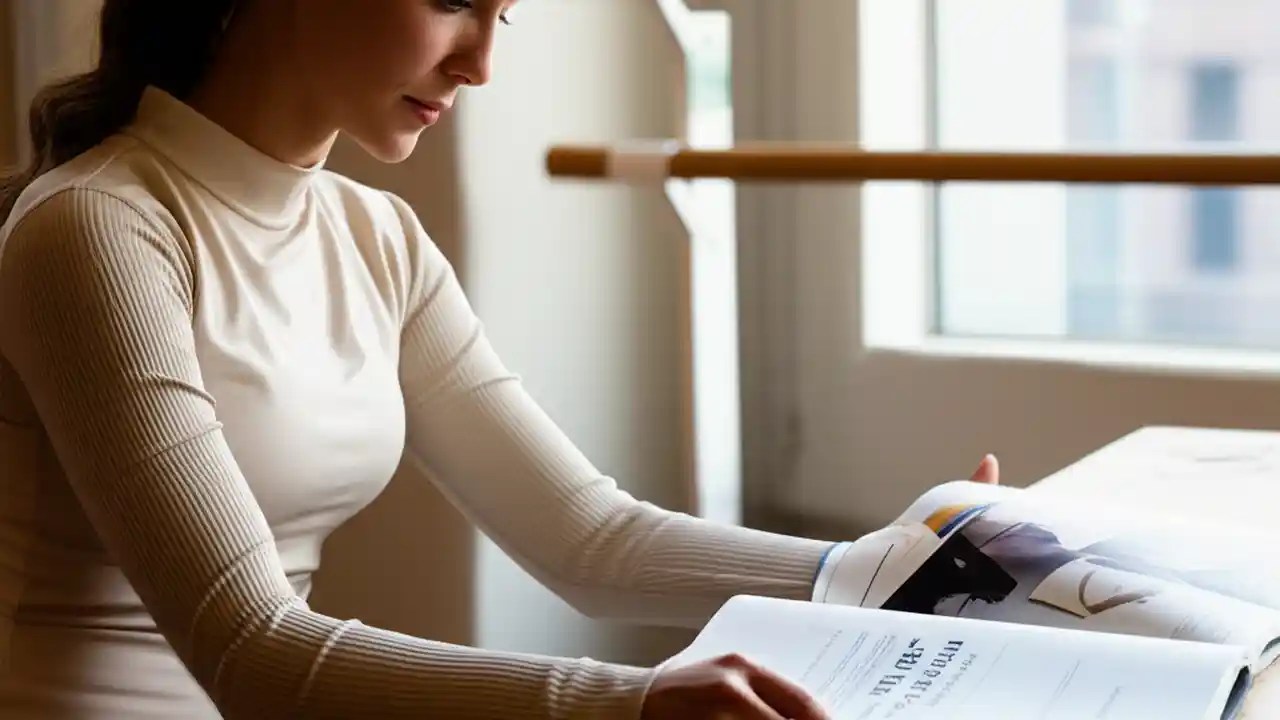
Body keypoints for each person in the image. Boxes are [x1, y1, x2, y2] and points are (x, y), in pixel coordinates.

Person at [0, 1, 999, 718]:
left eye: (500, 16)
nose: (478, 64)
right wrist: (635, 704)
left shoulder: (371, 234)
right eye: (449, 5)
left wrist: (881, 572)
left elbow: (587, 537)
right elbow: (251, 653)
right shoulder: (96, 228)